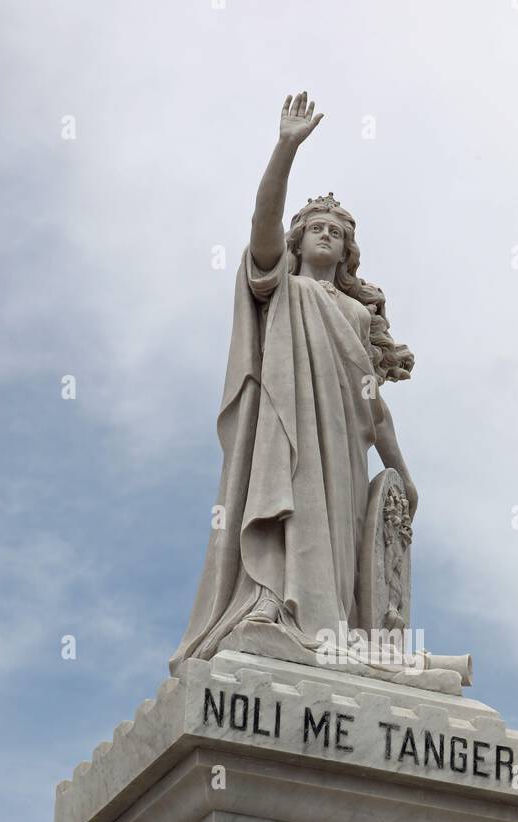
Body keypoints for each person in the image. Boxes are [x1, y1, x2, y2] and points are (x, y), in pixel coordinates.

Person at [170, 92, 417, 674]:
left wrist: (401, 469)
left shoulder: (358, 316)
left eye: (336, 230)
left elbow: (374, 408)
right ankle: (270, 606)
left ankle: (330, 630)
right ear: (298, 240)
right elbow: (262, 226)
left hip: (345, 450)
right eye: (316, 227)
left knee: (334, 547)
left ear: (348, 250)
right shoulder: (280, 285)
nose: (326, 234)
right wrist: (285, 149)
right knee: (289, 517)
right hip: (287, 433)